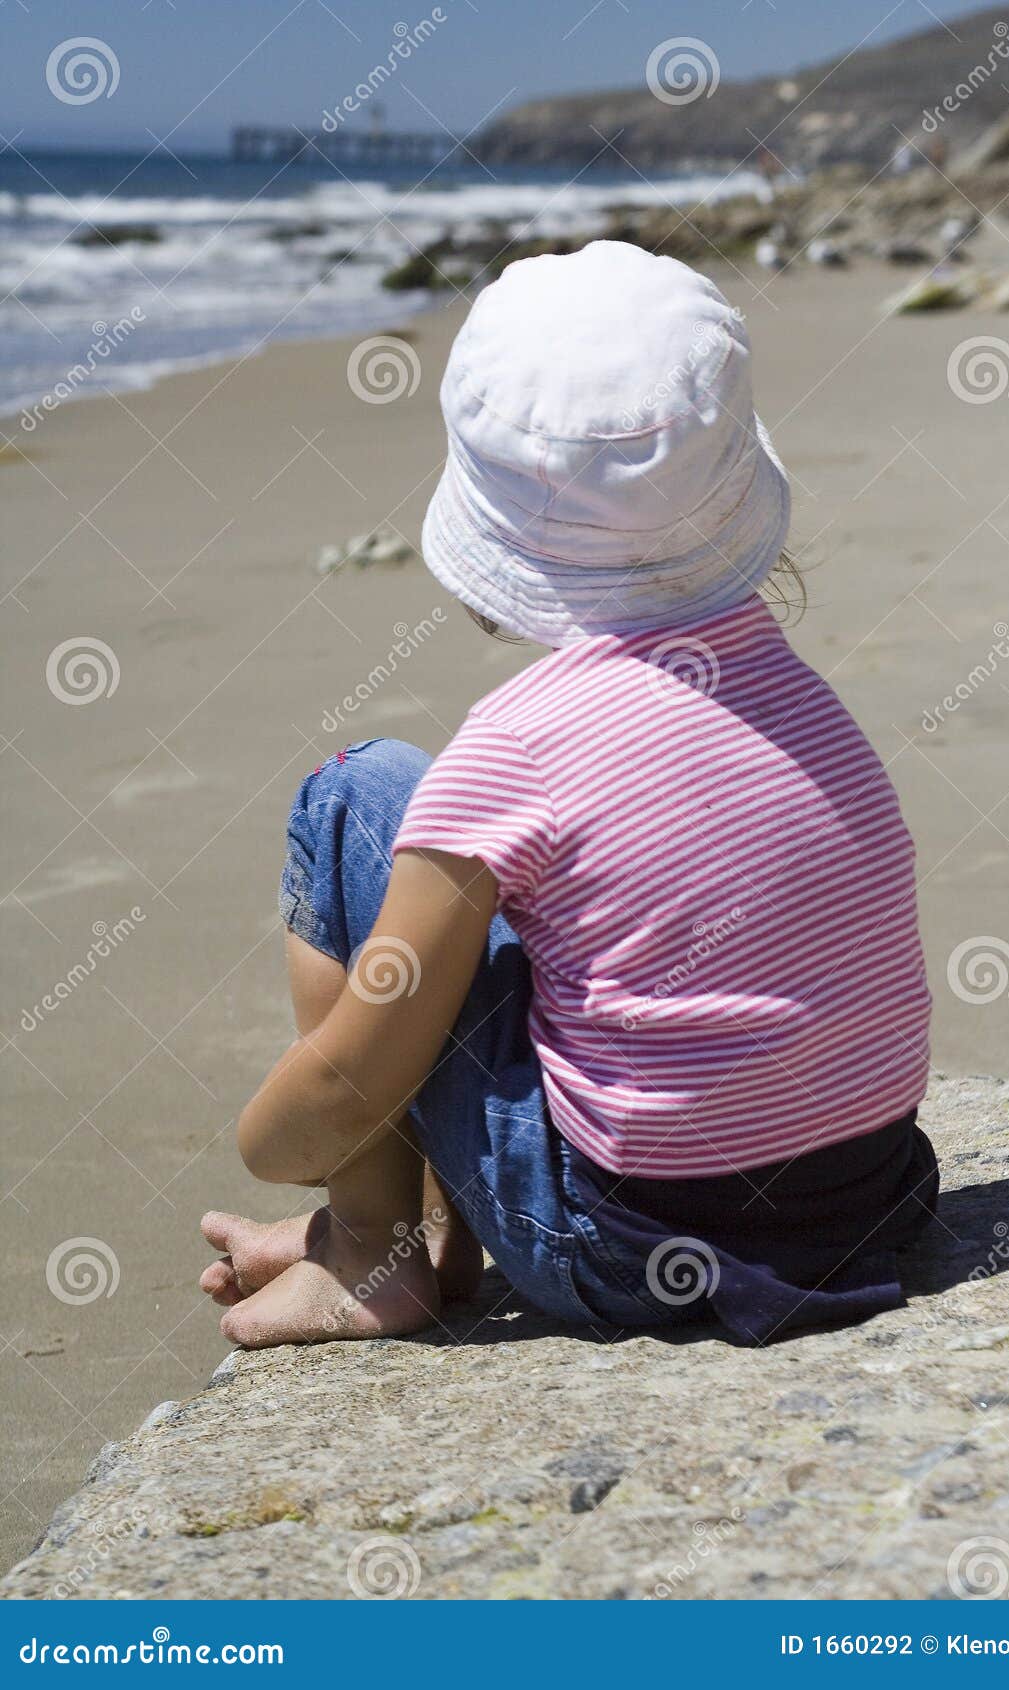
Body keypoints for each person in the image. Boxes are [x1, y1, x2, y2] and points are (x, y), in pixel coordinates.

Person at [200, 241, 937, 1349]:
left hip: (633, 1252)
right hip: (869, 1200)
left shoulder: (515, 747)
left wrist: (270, 1139)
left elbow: (355, 1078)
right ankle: (430, 1239)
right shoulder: (794, 695)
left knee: (355, 794)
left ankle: (368, 1250)